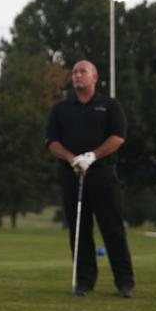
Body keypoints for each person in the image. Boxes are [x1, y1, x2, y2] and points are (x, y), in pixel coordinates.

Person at [45, 60, 135, 297]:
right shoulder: (61, 109)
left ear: (94, 77)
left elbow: (118, 137)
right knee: (79, 230)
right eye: (74, 72)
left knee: (112, 229)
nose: (77, 75)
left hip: (102, 174)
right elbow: (52, 142)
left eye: (82, 71)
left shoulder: (109, 105)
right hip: (71, 174)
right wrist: (72, 159)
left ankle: (124, 282)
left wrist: (92, 156)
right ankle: (85, 281)